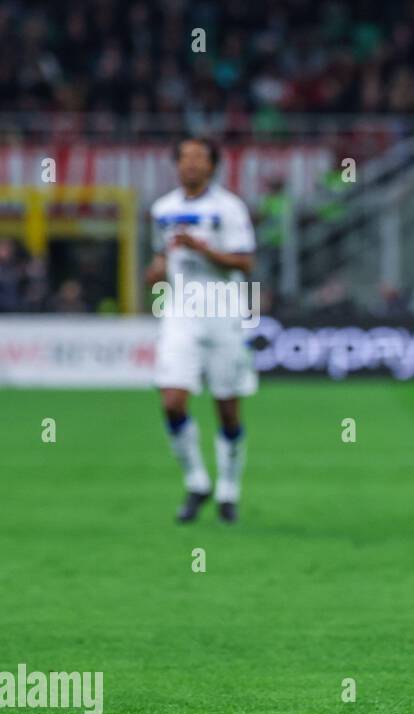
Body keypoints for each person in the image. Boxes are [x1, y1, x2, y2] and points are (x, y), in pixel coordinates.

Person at [145, 137, 257, 523]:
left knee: (227, 408)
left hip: (224, 314)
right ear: (175, 164)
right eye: (185, 157)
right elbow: (162, 257)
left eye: (200, 157)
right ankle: (196, 481)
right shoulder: (163, 209)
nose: (191, 164)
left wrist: (203, 249)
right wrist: (156, 272)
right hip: (180, 315)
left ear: (213, 166)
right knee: (172, 401)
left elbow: (245, 263)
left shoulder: (229, 208)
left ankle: (228, 489)